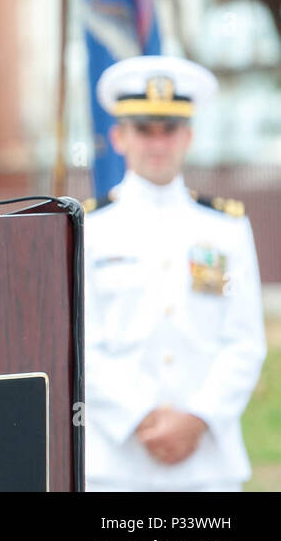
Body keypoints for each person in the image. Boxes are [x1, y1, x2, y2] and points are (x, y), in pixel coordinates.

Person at [83, 55, 266, 492]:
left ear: (189, 136)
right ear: (119, 136)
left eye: (169, 130)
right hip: (116, 462)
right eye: (144, 130)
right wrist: (143, 417)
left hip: (207, 464)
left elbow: (245, 341)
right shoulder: (89, 229)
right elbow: (79, 343)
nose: (158, 144)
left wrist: (196, 420)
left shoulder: (226, 228)